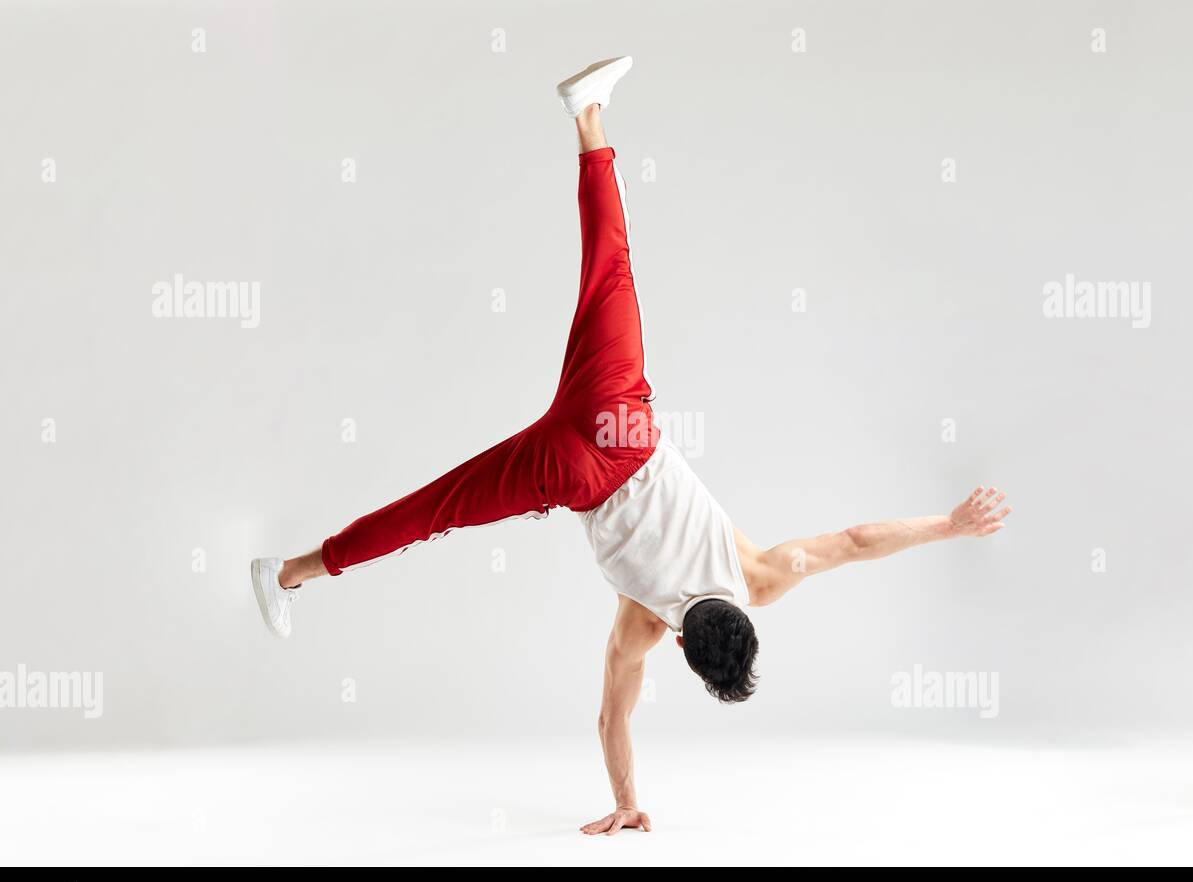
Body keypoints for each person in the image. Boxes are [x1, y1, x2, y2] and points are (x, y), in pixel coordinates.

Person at [251, 57, 1012, 836]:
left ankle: (588, 118)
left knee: (609, 267)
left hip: (621, 422)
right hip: (569, 474)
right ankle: (288, 572)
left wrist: (950, 526)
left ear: (744, 617)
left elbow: (852, 541)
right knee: (432, 512)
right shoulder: (643, 625)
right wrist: (624, 802)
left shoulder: (762, 576)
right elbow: (612, 717)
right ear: (686, 643)